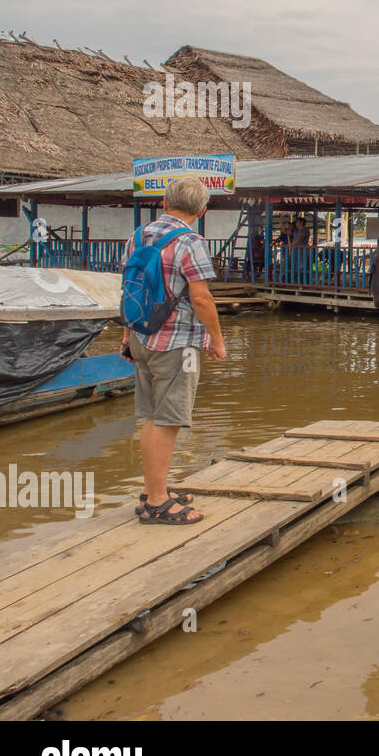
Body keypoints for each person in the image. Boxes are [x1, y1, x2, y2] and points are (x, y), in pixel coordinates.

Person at [119, 177, 227, 525]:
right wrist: (217, 339)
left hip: (141, 335)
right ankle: (156, 502)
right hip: (176, 341)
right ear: (201, 210)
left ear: (164, 203)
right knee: (167, 421)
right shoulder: (190, 241)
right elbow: (201, 298)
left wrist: (126, 337)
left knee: (153, 417)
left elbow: (130, 291)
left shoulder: (137, 236)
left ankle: (156, 488)